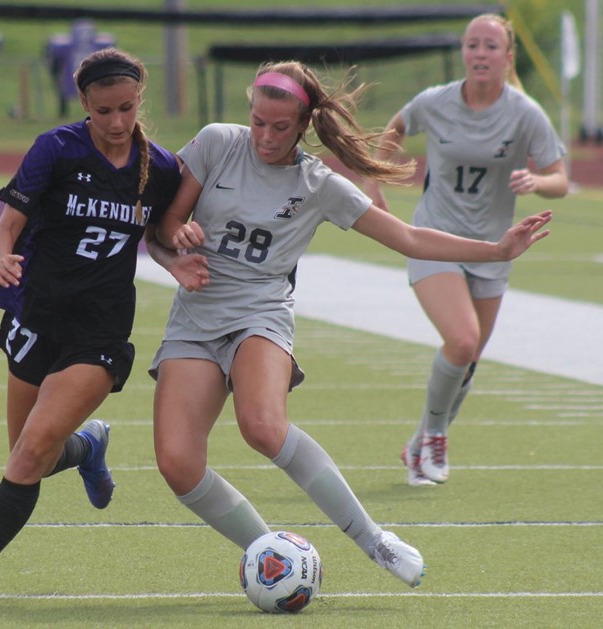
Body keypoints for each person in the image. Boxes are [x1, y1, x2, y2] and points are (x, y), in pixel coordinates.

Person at [151, 60, 552, 588]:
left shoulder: (317, 184)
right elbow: (164, 222)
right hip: (196, 317)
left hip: (259, 315)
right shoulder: (215, 143)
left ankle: (375, 540)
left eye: (279, 127)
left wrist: (496, 248)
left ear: (304, 125)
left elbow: (407, 238)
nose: (265, 137)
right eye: (257, 121)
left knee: (262, 426)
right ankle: (276, 558)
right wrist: (174, 255)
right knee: (178, 464)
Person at [0, 47, 208, 608]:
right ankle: (87, 448)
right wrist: (0, 258)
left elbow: (157, 233)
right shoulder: (56, 150)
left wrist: (175, 258)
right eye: (103, 110)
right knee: (29, 456)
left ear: (140, 99)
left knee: (29, 453)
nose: (117, 122)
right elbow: (5, 228)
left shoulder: (160, 167)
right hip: (34, 318)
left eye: (127, 108)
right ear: (83, 102)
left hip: (99, 334)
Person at [364, 13, 570, 487]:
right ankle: (435, 436)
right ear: (463, 53)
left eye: (491, 46)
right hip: (434, 241)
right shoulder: (436, 102)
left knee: (469, 358)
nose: (480, 53)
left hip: (494, 251)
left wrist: (537, 181)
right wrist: (373, 178)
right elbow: (394, 129)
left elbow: (560, 179)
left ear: (508, 56)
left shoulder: (524, 113)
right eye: (473, 45)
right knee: (461, 341)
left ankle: (420, 442)